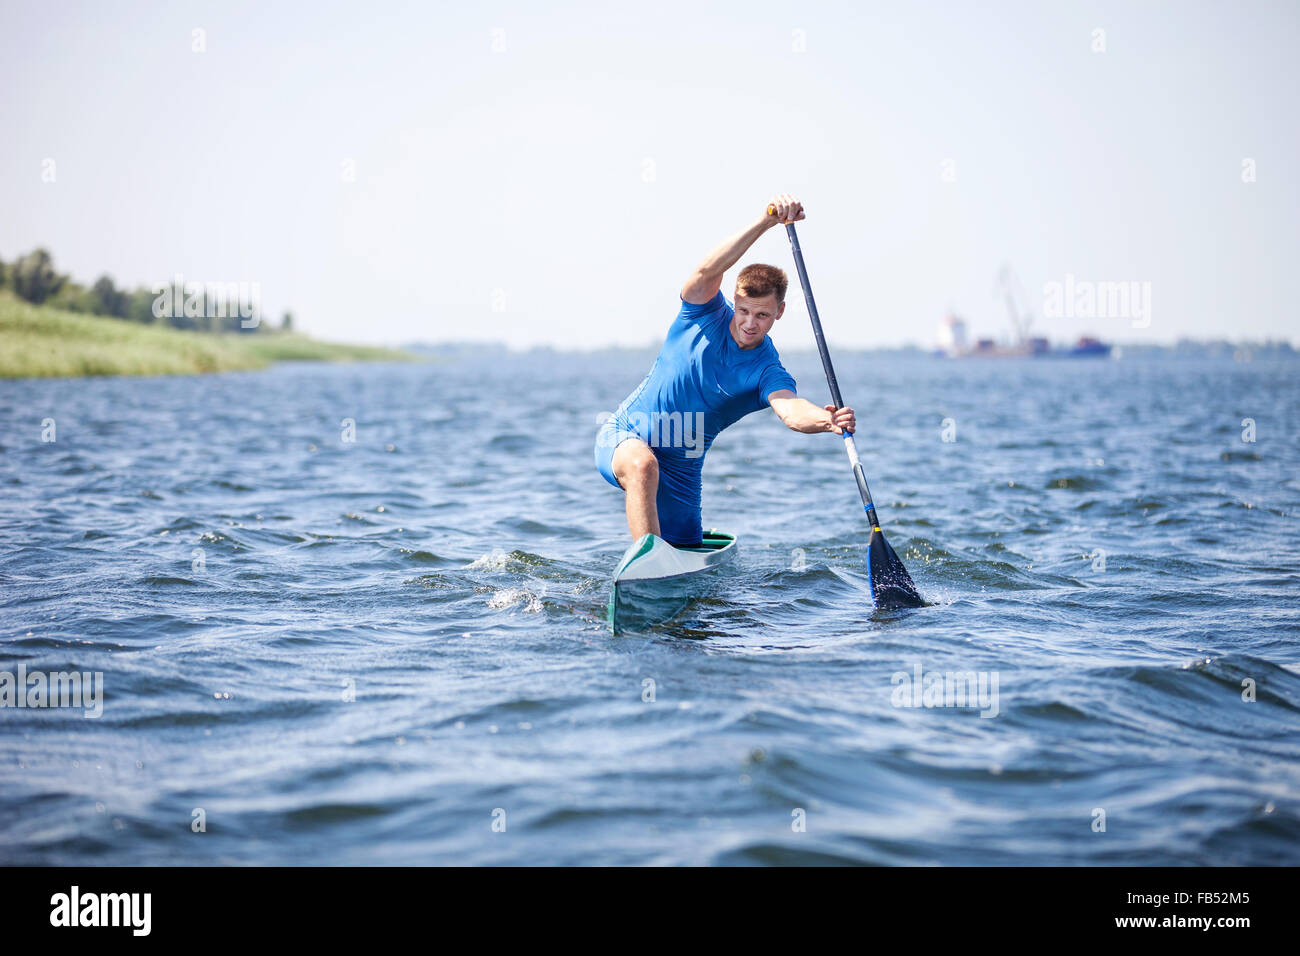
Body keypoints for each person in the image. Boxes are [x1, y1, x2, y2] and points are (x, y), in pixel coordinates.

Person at [595, 194, 856, 547]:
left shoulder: (766, 369)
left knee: (687, 554)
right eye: (744, 310)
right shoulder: (701, 311)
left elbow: (790, 409)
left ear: (779, 312)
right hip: (626, 435)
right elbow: (708, 269)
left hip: (682, 470)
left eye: (762, 315)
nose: (750, 323)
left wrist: (829, 421)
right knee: (643, 467)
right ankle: (646, 569)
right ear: (734, 301)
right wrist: (766, 222)